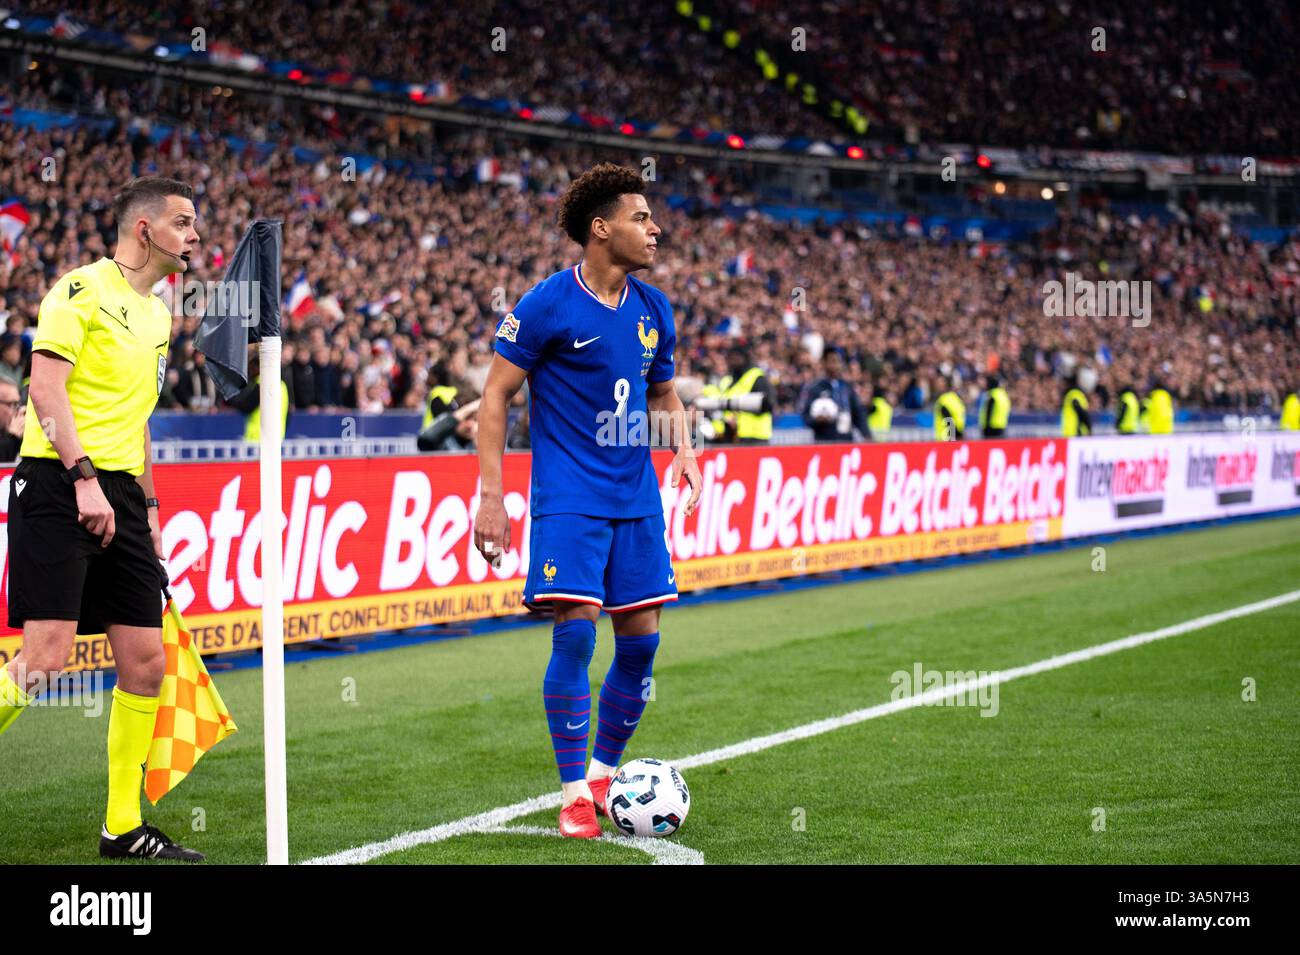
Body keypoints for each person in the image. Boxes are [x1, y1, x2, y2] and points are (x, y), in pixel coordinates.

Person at [473, 163, 701, 840]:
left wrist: (682, 451)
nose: (655, 228)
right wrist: (493, 496)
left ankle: (604, 771)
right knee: (575, 630)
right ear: (601, 230)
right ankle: (574, 791)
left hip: (635, 500)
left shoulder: (654, 308)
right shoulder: (546, 304)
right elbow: (494, 398)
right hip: (569, 497)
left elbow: (662, 393)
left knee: (641, 645)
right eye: (640, 217)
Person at [0, 176, 204, 860]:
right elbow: (45, 389)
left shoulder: (160, 314)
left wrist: (144, 505)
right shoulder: (79, 289)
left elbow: (139, 421)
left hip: (119, 493)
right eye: (183, 222)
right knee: (44, 657)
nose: (195, 235)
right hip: (58, 482)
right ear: (144, 229)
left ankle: (123, 826)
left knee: (146, 664)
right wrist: (84, 477)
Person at [694, 344, 775, 444]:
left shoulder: (756, 376)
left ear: (744, 357)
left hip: (755, 435)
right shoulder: (730, 380)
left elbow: (768, 404)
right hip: (735, 435)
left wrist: (740, 411)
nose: (732, 361)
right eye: (730, 358)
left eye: (736, 357)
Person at [798, 349, 871, 442]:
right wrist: (817, 420)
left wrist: (867, 435)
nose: (836, 365)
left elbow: (858, 414)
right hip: (824, 441)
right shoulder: (815, 388)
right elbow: (805, 415)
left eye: (838, 361)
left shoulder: (846, 387)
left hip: (846, 440)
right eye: (832, 361)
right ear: (824, 363)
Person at [933, 376, 965, 441]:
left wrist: (952, 439)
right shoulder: (956, 398)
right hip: (957, 435)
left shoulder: (942, 400)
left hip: (945, 438)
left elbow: (948, 420)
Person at [979, 374, 1011, 439]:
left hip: (991, 428)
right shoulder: (1004, 395)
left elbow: (989, 412)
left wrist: (985, 427)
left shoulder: (992, 395)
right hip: (1002, 426)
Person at [0, 378, 24, 462]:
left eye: (18, 404)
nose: (17, 410)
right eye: (12, 404)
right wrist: (13, 438)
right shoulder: (12, 437)